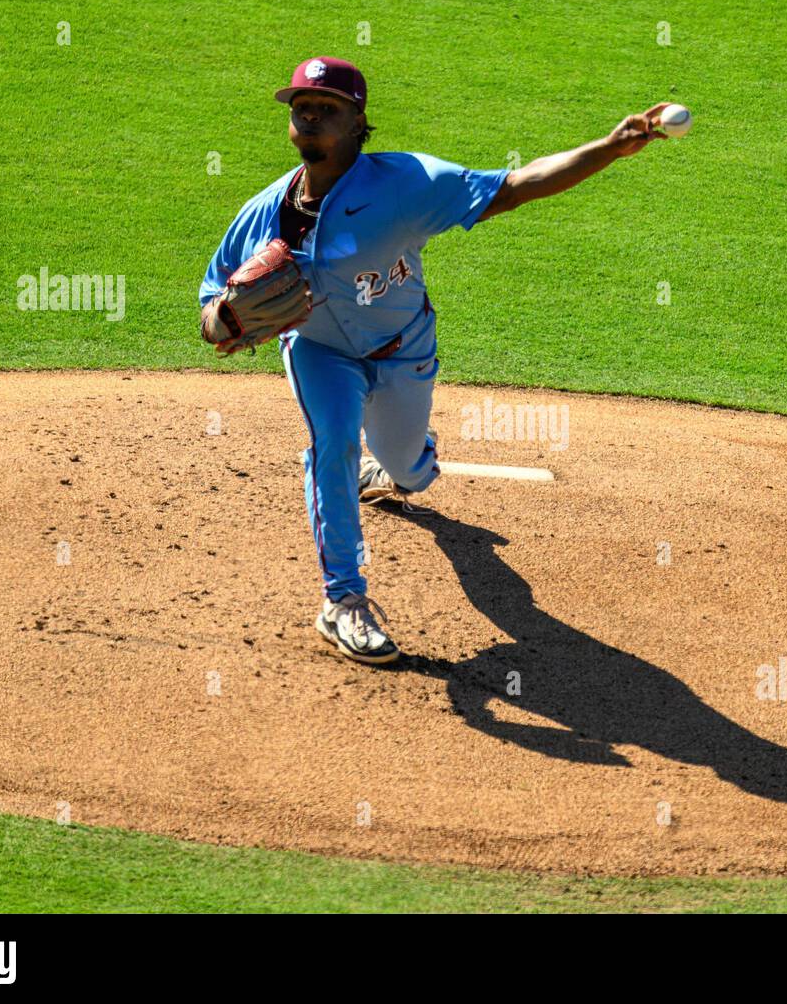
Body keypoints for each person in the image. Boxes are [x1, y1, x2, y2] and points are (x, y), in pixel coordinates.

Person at [199, 56, 668, 665]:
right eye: (300, 108)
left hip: (403, 352)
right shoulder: (263, 212)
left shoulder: (406, 184)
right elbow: (211, 300)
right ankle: (343, 601)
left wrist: (607, 148)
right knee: (331, 444)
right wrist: (223, 320)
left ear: (357, 120)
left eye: (326, 108)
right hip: (320, 353)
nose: (310, 116)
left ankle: (396, 466)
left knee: (410, 470)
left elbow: (515, 186)